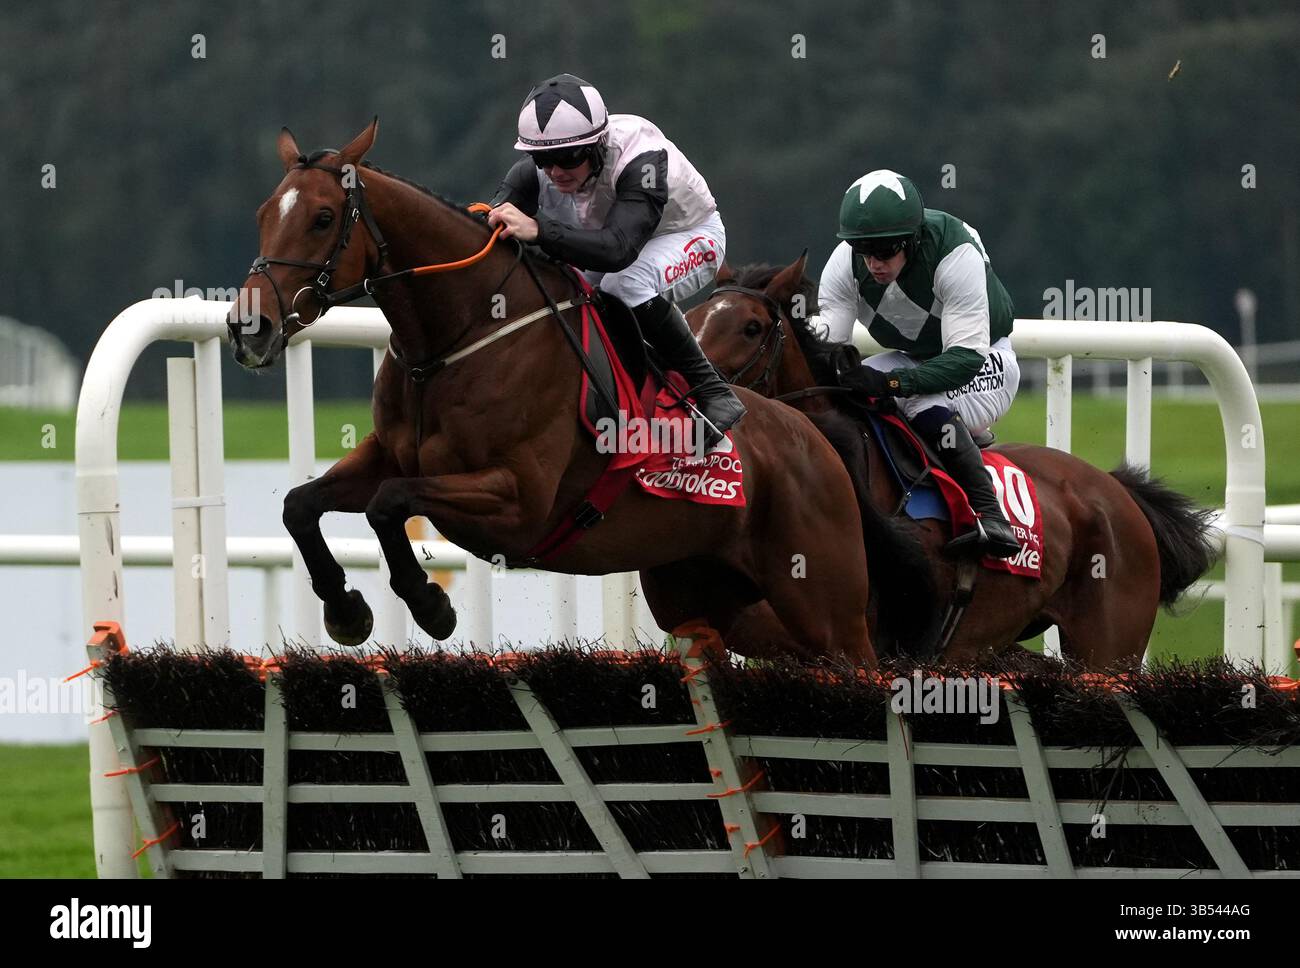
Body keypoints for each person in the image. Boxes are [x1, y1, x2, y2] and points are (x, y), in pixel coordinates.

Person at [487, 73, 744, 448]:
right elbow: (490, 224)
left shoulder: (642, 158)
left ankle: (713, 391)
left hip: (687, 234)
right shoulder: (540, 169)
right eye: (542, 159)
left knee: (625, 285)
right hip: (616, 236)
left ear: (596, 145)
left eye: (568, 158)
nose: (555, 171)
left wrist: (540, 231)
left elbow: (617, 252)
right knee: (567, 289)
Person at [817, 169, 1022, 557]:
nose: (874, 263)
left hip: (985, 362)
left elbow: (963, 359)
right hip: (913, 359)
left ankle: (992, 517)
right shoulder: (846, 261)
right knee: (840, 393)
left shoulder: (954, 251)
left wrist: (892, 384)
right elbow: (829, 344)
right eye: (865, 251)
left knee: (919, 399)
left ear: (911, 238)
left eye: (885, 250)